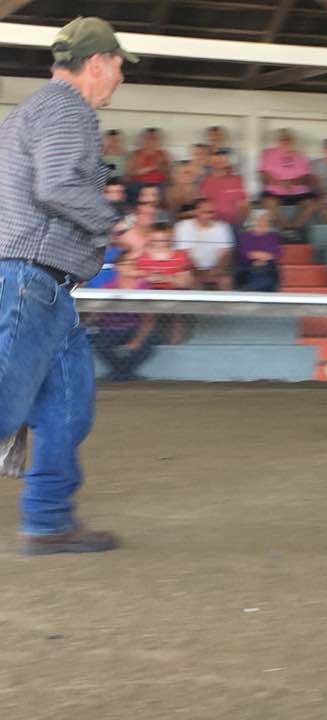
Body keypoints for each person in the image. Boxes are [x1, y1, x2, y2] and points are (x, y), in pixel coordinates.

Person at [0, 16, 136, 554]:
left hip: (45, 288)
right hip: (29, 281)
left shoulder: (29, 113)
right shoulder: (65, 108)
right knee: (5, 405)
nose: (121, 77)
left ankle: (48, 520)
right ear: (97, 63)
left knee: (69, 407)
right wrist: (117, 224)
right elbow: (56, 186)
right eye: (119, 66)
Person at [87, 252, 159, 382]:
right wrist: (87, 321)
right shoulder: (108, 287)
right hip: (110, 329)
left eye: (135, 263)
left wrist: (137, 340)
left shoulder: (143, 287)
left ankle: (119, 374)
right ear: (118, 267)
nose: (133, 266)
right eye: (128, 263)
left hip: (134, 328)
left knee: (148, 344)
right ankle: (125, 374)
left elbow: (149, 320)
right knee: (100, 344)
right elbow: (96, 314)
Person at [259, 128, 318, 230]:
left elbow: (307, 177)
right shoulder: (268, 154)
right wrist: (280, 183)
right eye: (282, 139)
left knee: (313, 205)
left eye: (288, 139)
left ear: (293, 140)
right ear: (277, 140)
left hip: (299, 192)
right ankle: (284, 227)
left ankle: (294, 227)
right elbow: (264, 175)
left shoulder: (301, 156)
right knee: (268, 202)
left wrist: (292, 182)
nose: (285, 141)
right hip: (275, 192)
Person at [174, 197, 235, 290]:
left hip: (215, 269)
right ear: (195, 212)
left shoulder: (223, 227)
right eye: (205, 212)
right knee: (192, 281)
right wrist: (199, 273)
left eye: (212, 212)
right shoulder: (182, 226)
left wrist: (215, 271)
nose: (210, 215)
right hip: (191, 270)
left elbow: (226, 255)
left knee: (226, 281)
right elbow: (183, 255)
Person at [235, 209, 282, 292]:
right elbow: (241, 253)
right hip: (247, 268)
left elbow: (278, 253)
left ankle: (254, 289)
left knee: (265, 274)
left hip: (269, 267)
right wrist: (258, 257)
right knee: (259, 276)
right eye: (259, 220)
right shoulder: (245, 236)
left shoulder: (273, 236)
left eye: (266, 221)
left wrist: (260, 256)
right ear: (253, 222)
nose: (263, 223)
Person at [201, 149, 249, 227]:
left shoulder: (237, 180)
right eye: (216, 161)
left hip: (233, 225)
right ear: (211, 163)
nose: (219, 162)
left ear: (227, 162)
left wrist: (238, 226)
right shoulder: (206, 181)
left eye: (222, 160)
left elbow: (244, 205)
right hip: (213, 225)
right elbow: (203, 205)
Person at [137, 221, 193, 290]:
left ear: (171, 239)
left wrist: (168, 278)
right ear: (148, 238)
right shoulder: (141, 257)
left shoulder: (180, 257)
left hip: (172, 294)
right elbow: (133, 283)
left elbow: (186, 283)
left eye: (163, 239)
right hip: (146, 294)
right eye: (155, 240)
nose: (159, 243)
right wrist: (146, 279)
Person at [127, 127, 170, 192]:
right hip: (139, 184)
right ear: (143, 139)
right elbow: (130, 173)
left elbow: (168, 173)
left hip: (159, 184)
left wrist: (162, 167)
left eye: (154, 138)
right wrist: (152, 168)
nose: (151, 141)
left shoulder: (163, 154)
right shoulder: (135, 154)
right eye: (148, 138)